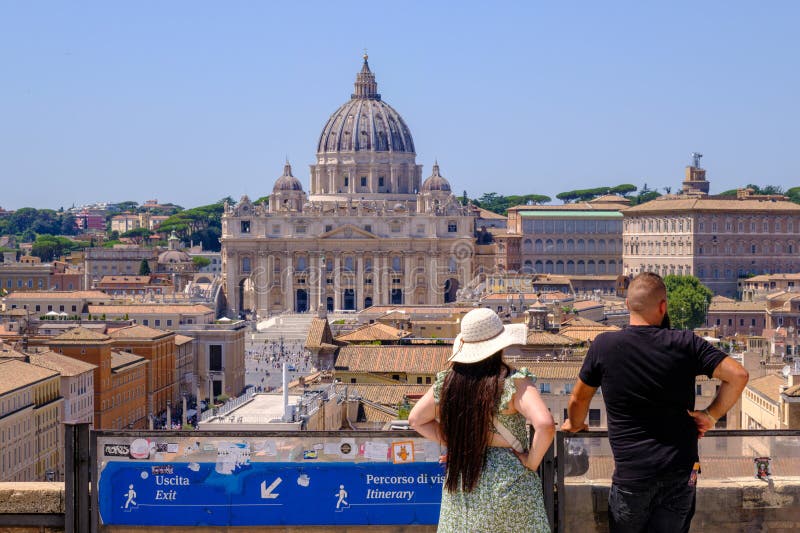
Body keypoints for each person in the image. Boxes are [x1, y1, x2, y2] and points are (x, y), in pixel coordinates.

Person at [562, 272, 748, 533]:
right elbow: (738, 375)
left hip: (632, 475)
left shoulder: (604, 345)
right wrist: (710, 415)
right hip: (680, 473)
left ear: (628, 305)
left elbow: (579, 398)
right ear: (663, 307)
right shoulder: (686, 343)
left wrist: (575, 424)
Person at [409, 308, 554, 532]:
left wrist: (458, 443)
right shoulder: (513, 382)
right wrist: (531, 462)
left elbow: (416, 419)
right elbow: (545, 425)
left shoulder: (449, 382)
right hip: (510, 482)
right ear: (500, 345)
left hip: (465, 477)